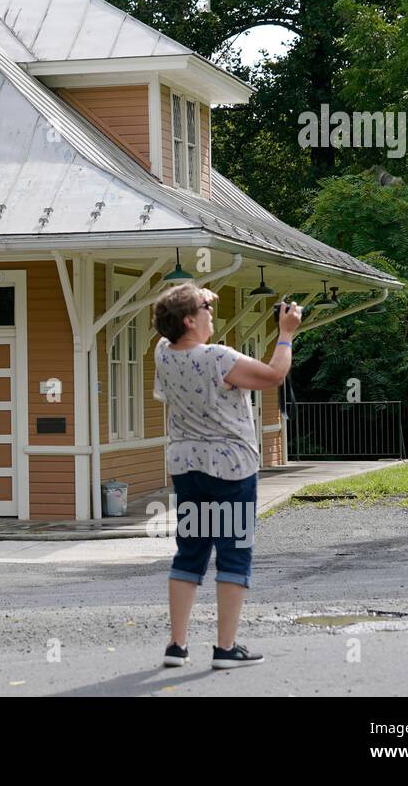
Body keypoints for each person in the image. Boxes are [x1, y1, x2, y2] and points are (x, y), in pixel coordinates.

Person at [151, 282, 302, 669]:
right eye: (205, 307)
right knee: (234, 553)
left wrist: (190, 293)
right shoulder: (219, 358)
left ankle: (177, 646)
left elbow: (176, 328)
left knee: (190, 552)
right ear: (189, 319)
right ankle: (225, 648)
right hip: (231, 469)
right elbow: (272, 376)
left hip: (187, 468)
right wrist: (285, 334)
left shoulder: (162, 353)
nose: (211, 312)